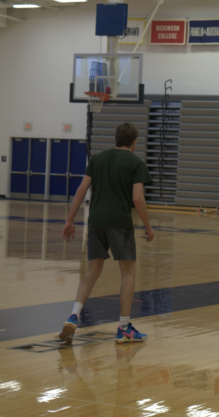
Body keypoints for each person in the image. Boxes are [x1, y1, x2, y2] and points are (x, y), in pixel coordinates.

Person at [58, 122, 154, 345]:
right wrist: (148, 226)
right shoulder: (135, 162)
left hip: (96, 221)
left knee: (91, 272)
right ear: (134, 142)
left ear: (116, 138)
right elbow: (138, 198)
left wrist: (70, 220)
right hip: (120, 223)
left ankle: (74, 315)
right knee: (128, 273)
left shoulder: (97, 159)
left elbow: (82, 189)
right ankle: (124, 328)